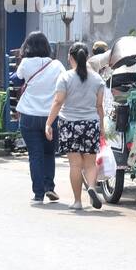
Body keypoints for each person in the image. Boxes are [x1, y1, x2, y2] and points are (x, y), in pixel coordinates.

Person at [46, 42, 107, 211]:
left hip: (69, 124)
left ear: (69, 57)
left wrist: (48, 123)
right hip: (91, 124)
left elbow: (58, 101)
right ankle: (92, 187)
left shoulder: (65, 77)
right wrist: (102, 127)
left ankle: (78, 201)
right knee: (90, 164)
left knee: (75, 165)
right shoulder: (97, 79)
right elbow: (99, 106)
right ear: (87, 57)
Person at [14, 32, 64, 205]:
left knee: (35, 155)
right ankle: (49, 187)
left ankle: (38, 194)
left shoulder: (25, 63)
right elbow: (64, 84)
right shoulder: (57, 65)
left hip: (28, 116)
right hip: (51, 116)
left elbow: (17, 79)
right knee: (49, 153)